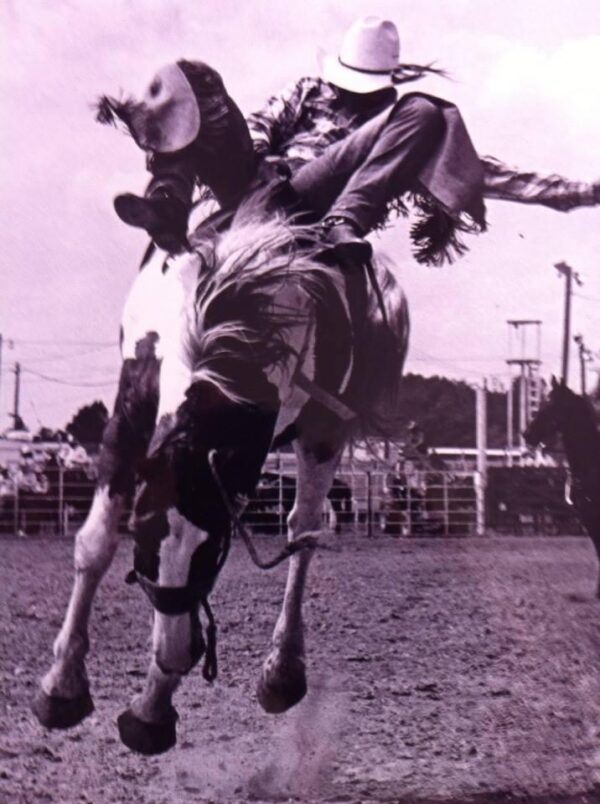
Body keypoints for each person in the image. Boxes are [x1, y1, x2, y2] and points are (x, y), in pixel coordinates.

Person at [101, 16, 600, 266]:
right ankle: (167, 202)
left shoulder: (390, 117)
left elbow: (482, 172)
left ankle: (345, 222)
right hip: (257, 181)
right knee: (195, 79)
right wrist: (258, 163)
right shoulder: (307, 89)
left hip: (312, 195)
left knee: (428, 112)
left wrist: (576, 192)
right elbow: (258, 125)